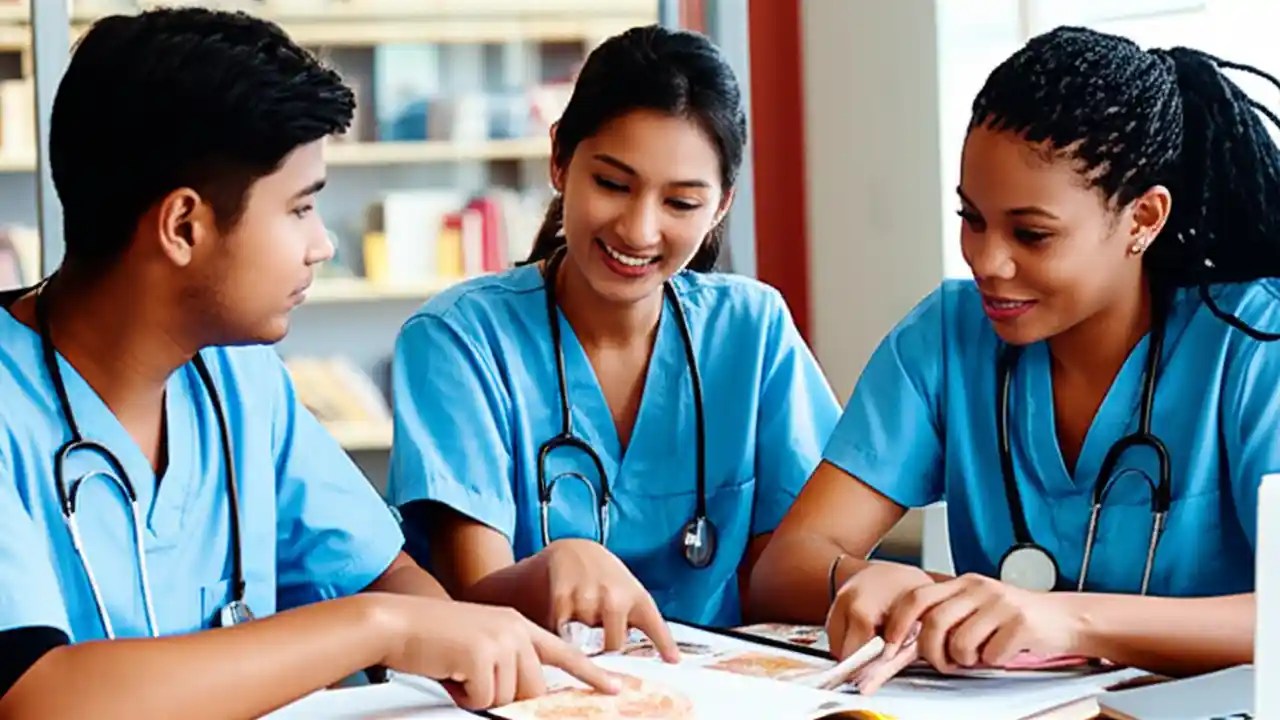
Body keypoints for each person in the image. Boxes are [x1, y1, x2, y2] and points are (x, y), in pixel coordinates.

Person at [0, 8, 616, 719]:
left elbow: (387, 578)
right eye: (299, 209)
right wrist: (380, 628)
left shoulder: (238, 379)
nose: (322, 245)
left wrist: (453, 636)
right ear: (183, 227)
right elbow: (38, 697)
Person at [750, 25, 1280, 691]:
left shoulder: (1255, 344)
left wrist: (1067, 621)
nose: (987, 262)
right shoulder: (945, 337)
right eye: (972, 219)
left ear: (1143, 218)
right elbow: (785, 566)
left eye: (1031, 234)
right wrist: (877, 582)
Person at [387, 24, 840, 656]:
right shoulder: (459, 340)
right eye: (612, 185)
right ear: (559, 161)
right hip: (537, 690)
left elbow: (782, 581)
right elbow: (473, 595)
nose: (639, 229)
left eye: (681, 202)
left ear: (720, 207)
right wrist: (549, 572)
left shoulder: (752, 331)